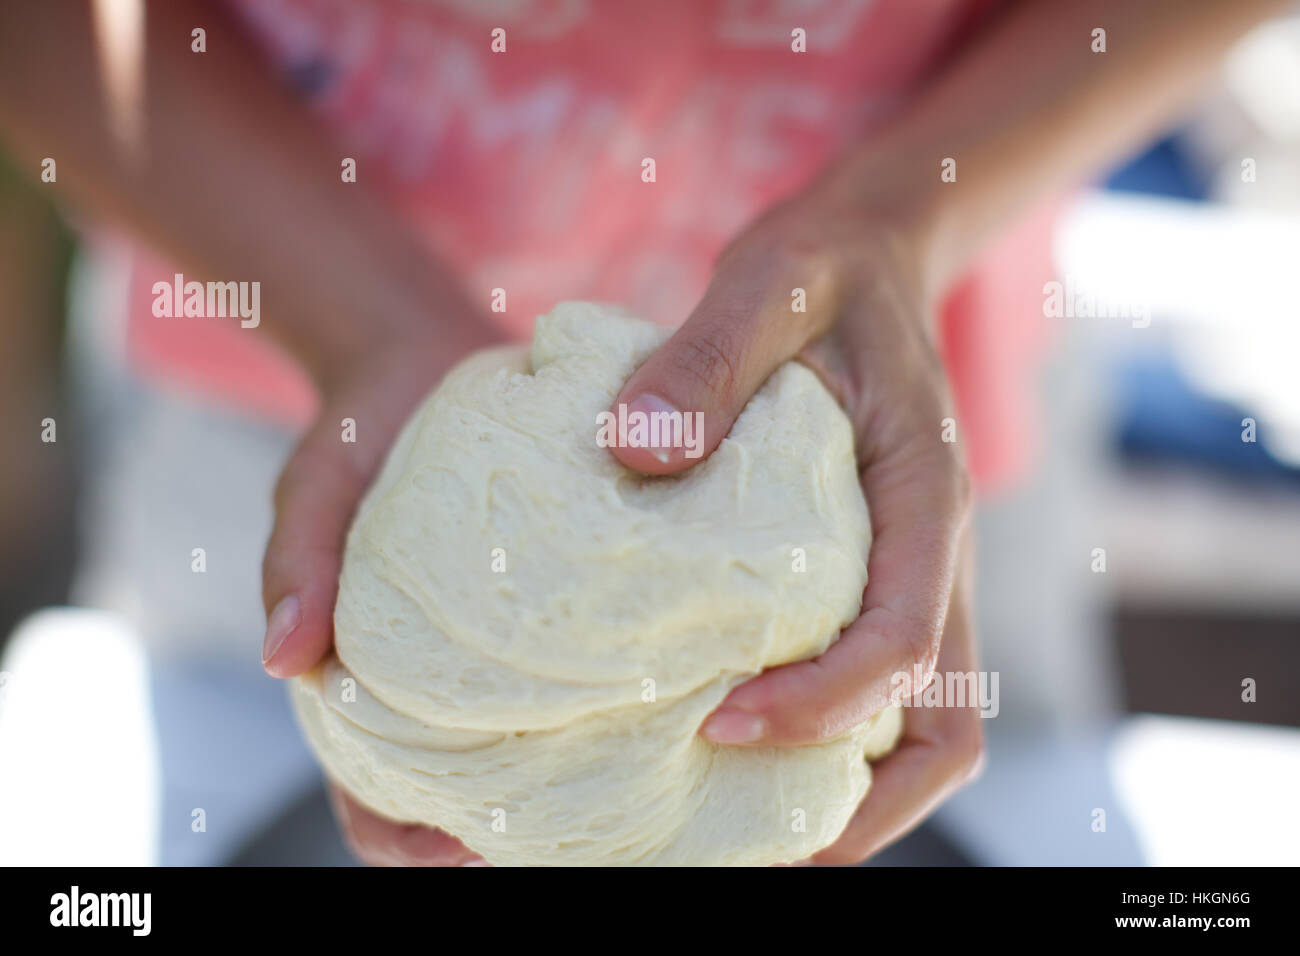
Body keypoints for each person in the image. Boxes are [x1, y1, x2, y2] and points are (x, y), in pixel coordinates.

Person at [0, 0, 1285, 866]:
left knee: (986, 789)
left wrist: (902, 216)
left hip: (897, 408)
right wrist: (371, 325)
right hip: (291, 387)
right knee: (228, 746)